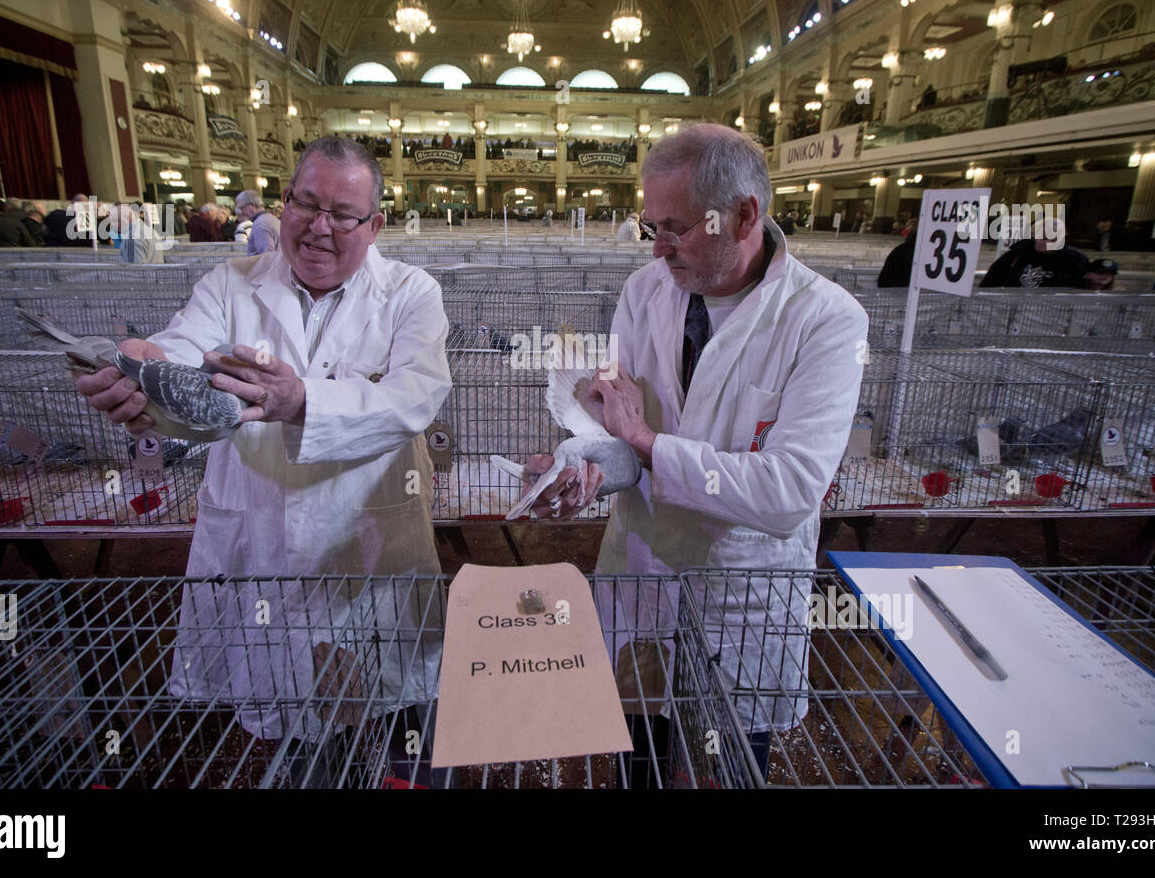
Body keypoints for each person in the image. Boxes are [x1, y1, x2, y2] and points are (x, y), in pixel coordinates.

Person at [73, 135, 452, 753]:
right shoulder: (231, 282)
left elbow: (416, 396)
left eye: (343, 215)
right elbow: (186, 348)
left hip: (365, 536)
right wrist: (147, 371)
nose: (319, 227)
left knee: (379, 710)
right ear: (284, 202)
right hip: (260, 529)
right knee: (282, 707)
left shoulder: (412, 293)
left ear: (375, 225)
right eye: (306, 204)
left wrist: (301, 401)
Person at [520, 123, 868, 771]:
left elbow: (789, 493)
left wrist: (644, 440)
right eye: (651, 228)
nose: (658, 250)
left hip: (741, 594)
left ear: (742, 216)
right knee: (639, 757)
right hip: (644, 572)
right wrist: (585, 465)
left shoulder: (826, 320)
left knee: (732, 764)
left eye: (675, 229)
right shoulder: (643, 293)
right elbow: (623, 438)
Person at [980, 234, 1089, 288]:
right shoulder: (1017, 253)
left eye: (1054, 239)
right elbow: (992, 278)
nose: (1048, 242)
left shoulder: (1075, 259)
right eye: (1044, 237)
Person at [235, 189, 280, 255]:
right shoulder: (272, 219)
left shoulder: (260, 224)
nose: (241, 212)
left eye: (242, 208)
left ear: (251, 205)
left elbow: (267, 256)